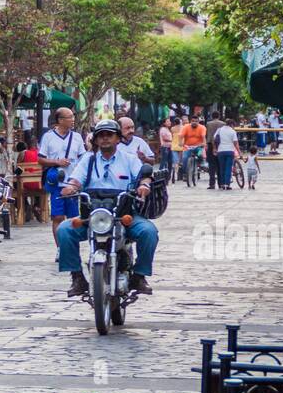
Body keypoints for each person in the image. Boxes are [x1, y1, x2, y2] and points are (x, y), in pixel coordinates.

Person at [56, 119, 158, 300]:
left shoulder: (129, 159)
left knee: (149, 231)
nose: (105, 139)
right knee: (64, 230)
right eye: (101, 135)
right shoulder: (87, 160)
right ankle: (77, 277)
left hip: (123, 214)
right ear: (95, 140)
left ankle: (139, 276)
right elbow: (75, 180)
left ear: (118, 138)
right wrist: (70, 187)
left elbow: (144, 176)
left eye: (109, 135)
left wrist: (144, 186)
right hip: (93, 216)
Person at [38, 107, 87, 251]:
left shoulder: (77, 137)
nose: (73, 120)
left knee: (73, 218)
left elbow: (82, 158)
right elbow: (41, 159)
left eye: (73, 117)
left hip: (72, 184)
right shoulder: (48, 137)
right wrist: (57, 162)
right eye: (70, 117)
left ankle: (72, 247)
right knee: (57, 217)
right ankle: (60, 249)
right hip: (56, 184)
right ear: (60, 120)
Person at [179, 115, 206, 184]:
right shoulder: (186, 127)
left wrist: (204, 143)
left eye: (196, 121)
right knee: (184, 158)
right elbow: (181, 136)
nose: (194, 123)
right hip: (187, 147)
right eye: (193, 121)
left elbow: (203, 137)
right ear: (190, 121)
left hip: (198, 146)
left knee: (200, 154)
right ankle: (185, 174)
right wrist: (180, 143)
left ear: (198, 122)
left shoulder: (202, 128)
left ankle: (200, 164)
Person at [214, 117, 239, 190]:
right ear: (231, 124)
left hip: (220, 151)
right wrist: (239, 152)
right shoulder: (232, 131)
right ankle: (226, 184)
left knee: (222, 168)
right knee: (228, 168)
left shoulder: (219, 130)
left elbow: (214, 139)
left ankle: (221, 184)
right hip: (230, 151)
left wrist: (215, 148)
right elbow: (235, 143)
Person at [205, 112, 226, 190]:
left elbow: (207, 134)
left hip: (210, 144)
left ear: (212, 116)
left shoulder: (208, 124)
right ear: (219, 116)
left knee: (211, 165)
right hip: (220, 144)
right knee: (220, 165)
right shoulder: (223, 124)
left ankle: (212, 184)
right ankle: (220, 183)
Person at [169, 116, 183, 182]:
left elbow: (171, 136)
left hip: (174, 145)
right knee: (180, 160)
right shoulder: (183, 128)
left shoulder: (172, 129)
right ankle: (180, 174)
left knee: (175, 162)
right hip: (181, 145)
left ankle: (175, 174)